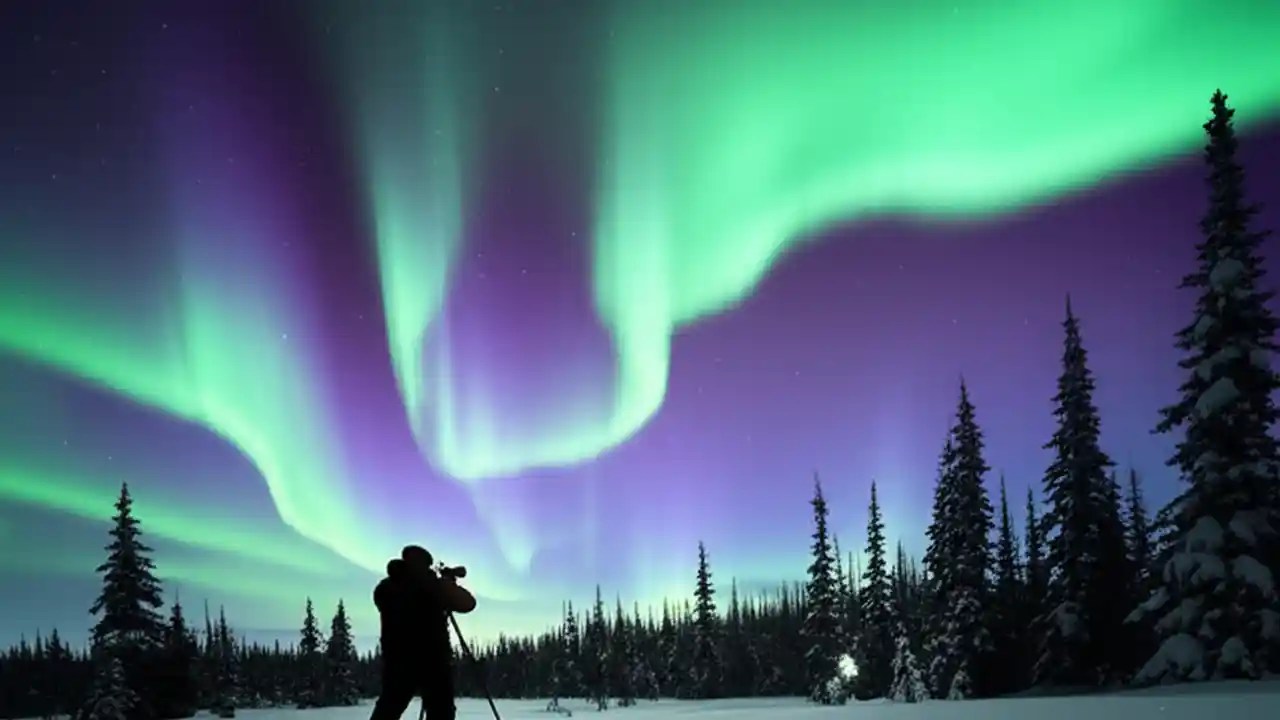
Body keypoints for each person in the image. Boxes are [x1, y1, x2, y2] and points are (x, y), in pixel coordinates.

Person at [370, 545, 477, 720]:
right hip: (433, 660)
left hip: (397, 659)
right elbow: (468, 603)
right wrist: (447, 584)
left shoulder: (386, 587)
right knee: (441, 712)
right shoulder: (433, 586)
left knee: (388, 708)